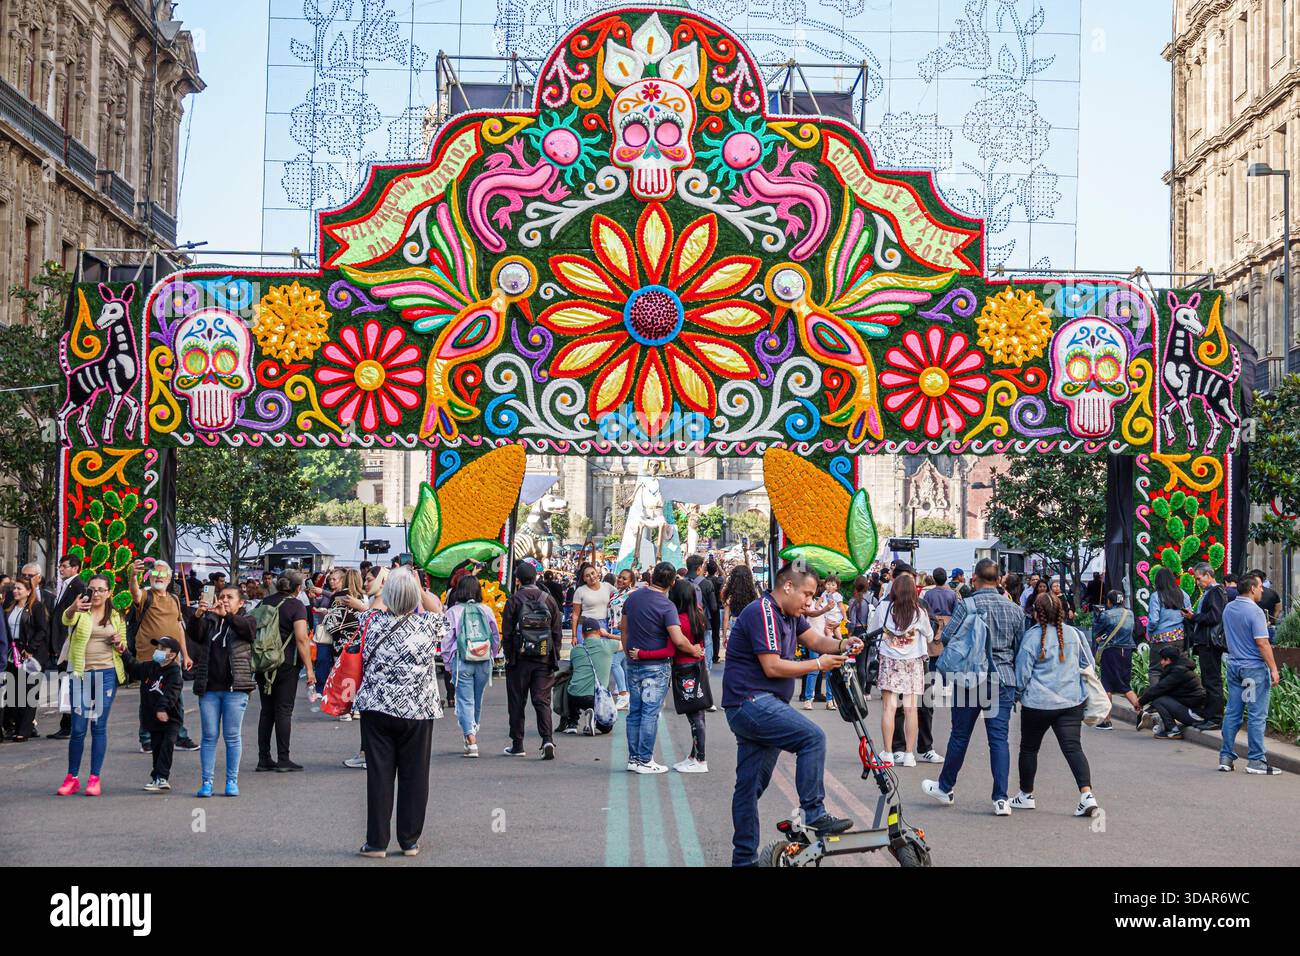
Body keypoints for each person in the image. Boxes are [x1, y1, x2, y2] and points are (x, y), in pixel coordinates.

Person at [722, 563, 859, 866]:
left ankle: (743, 861)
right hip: (751, 702)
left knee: (749, 787)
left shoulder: (789, 615)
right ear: (787, 587)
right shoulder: (764, 612)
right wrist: (818, 665)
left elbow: (815, 641)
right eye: (807, 594)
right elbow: (772, 666)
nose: (809, 603)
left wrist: (842, 644)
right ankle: (814, 812)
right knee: (812, 738)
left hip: (758, 705)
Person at [922, 558, 1024, 816]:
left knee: (960, 735)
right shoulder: (1014, 609)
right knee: (999, 739)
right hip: (1002, 679)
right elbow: (1019, 647)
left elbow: (947, 636)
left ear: (975, 579)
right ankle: (1001, 798)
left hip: (971, 679)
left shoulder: (967, 605)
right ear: (999, 580)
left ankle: (945, 787)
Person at [356, 568, 446, 857]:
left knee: (379, 775)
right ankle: (409, 840)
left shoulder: (370, 622)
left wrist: (387, 586)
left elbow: (376, 606)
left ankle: (376, 842)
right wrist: (418, 589)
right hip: (418, 709)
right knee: (415, 774)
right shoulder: (428, 625)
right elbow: (438, 607)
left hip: (378, 705)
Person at [1009, 593, 1100, 817]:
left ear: (1036, 613)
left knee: (1029, 748)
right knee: (1073, 748)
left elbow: (1022, 673)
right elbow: (1089, 664)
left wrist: (1017, 694)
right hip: (1070, 701)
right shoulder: (1074, 634)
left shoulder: (1032, 637)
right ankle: (1087, 795)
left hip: (1037, 703)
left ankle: (1026, 794)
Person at [620, 561, 701, 773]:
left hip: (634, 661)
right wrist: (693, 649)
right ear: (672, 582)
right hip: (655, 667)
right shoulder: (667, 606)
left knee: (635, 711)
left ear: (652, 576)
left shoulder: (633, 597)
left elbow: (624, 629)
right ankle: (645, 759)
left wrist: (628, 651)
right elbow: (677, 638)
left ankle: (634, 758)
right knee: (650, 713)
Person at [56, 576, 127, 795]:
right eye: (92, 589)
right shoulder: (80, 612)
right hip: (80, 673)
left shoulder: (116, 616)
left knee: (98, 725)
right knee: (78, 728)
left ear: (108, 592)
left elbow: (124, 648)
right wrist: (72, 607)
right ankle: (72, 777)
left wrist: (119, 643)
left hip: (106, 674)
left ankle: (94, 777)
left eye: (100, 590)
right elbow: (65, 620)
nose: (95, 594)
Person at [188, 585, 256, 797]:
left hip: (236, 688)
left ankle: (231, 781)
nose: (224, 600)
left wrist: (227, 616)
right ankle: (207, 783)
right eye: (222, 596)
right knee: (209, 736)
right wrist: (198, 616)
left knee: (232, 736)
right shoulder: (211, 621)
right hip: (209, 688)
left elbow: (248, 632)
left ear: (240, 602)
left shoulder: (247, 620)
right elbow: (195, 636)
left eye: (230, 597)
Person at [127, 560, 198, 752]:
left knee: (175, 698)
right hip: (150, 658)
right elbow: (134, 591)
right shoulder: (146, 596)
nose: (159, 577)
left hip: (172, 659)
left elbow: (179, 628)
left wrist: (185, 655)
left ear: (169, 578)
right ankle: (147, 738)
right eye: (155, 575)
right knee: (149, 698)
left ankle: (179, 736)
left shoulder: (174, 599)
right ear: (149, 577)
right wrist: (133, 575)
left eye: (162, 574)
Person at [1217, 573, 1283, 775]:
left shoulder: (1229, 608)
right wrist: (1273, 668)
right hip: (1253, 670)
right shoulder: (1255, 612)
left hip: (1235, 667)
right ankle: (1256, 760)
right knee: (1256, 715)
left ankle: (1226, 757)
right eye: (1260, 586)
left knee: (1233, 713)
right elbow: (1262, 643)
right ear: (1252, 589)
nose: (1263, 590)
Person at [871, 572, 936, 768]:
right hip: (913, 663)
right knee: (911, 709)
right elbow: (930, 636)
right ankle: (909, 754)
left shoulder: (884, 608)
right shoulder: (919, 612)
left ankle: (889, 753)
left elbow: (871, 630)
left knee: (889, 709)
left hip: (890, 662)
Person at [254, 571, 315, 772]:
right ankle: (283, 759)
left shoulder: (264, 602)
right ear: (297, 588)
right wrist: (309, 669)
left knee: (266, 711)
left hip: (263, 662)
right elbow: (301, 638)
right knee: (284, 710)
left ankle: (263, 758)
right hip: (286, 663)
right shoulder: (296, 605)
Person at [501, 561, 562, 758]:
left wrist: (509, 656)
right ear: (536, 577)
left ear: (517, 580)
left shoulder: (514, 600)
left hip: (519, 659)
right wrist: (555, 656)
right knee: (542, 700)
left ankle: (518, 744)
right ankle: (547, 740)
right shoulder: (548, 600)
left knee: (517, 702)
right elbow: (556, 632)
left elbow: (508, 633)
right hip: (544, 657)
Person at [443, 575, 500, 757]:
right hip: (483, 660)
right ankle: (472, 731)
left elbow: (446, 640)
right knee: (477, 698)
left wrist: (447, 662)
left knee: (465, 699)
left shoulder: (453, 612)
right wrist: (493, 654)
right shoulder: (486, 609)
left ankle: (471, 738)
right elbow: (495, 635)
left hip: (462, 660)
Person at [119, 636, 185, 792]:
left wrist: (162, 709)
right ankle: (157, 776)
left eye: (163, 649)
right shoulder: (150, 667)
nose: (158, 651)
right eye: (158, 648)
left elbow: (171, 693)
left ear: (172, 655)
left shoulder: (174, 673)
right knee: (156, 746)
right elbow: (134, 669)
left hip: (170, 718)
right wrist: (124, 653)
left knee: (167, 745)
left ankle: (162, 776)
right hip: (152, 718)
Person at [668, 577, 709, 773]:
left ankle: (700, 759)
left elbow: (678, 643)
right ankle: (694, 755)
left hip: (683, 667)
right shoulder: (699, 616)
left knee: (695, 716)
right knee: (698, 712)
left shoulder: (678, 620)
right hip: (697, 666)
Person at [2, 576, 50, 741]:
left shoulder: (36, 607)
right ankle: (15, 726)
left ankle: (25, 730)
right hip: (13, 651)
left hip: (31, 653)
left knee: (29, 692)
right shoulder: (9, 607)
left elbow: (42, 630)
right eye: (14, 588)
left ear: (28, 591)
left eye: (19, 589)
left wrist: (30, 648)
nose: (15, 591)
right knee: (14, 691)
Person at [46, 554, 87, 740]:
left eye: (64, 566)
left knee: (68, 685)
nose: (61, 569)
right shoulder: (66, 585)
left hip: (68, 643)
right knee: (64, 685)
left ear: (75, 568)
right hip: (60, 642)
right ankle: (66, 724)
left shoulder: (78, 586)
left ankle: (69, 725)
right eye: (60, 566)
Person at [1183, 562, 1228, 730]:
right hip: (1206, 643)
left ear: (1208, 575)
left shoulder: (1215, 591)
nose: (1197, 582)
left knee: (1212, 681)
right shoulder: (1211, 592)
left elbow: (1214, 617)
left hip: (1210, 643)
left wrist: (1194, 617)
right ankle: (1210, 716)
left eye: (1198, 578)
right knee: (1208, 680)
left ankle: (1215, 718)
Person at [1136, 645, 1206, 739]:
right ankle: (1168, 727)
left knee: (1158, 699)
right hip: (1193, 711)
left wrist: (1140, 702)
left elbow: (1158, 689)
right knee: (1160, 698)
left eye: (1163, 660)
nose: (1161, 662)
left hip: (1195, 715)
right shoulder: (1180, 668)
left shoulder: (1178, 672)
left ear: (1168, 660)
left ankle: (1173, 731)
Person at [1090, 590, 1138, 729]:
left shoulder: (1106, 615)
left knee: (1107, 685)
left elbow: (1096, 632)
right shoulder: (1129, 613)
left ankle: (1106, 720)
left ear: (1110, 601)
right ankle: (1140, 710)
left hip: (1111, 651)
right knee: (1124, 684)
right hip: (1127, 650)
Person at [1144, 567, 1191, 692]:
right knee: (1178, 670)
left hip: (1161, 639)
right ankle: (1176, 700)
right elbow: (1189, 614)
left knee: (1155, 671)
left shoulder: (1156, 596)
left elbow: (1154, 620)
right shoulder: (1183, 595)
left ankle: (1157, 701)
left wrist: (1149, 632)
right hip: (1179, 638)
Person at [606, 569, 635, 710]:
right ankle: (629, 697)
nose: (621, 580)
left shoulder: (632, 595)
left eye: (625, 579)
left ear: (631, 581)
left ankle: (623, 695)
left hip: (625, 632)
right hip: (613, 630)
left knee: (614, 662)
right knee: (624, 666)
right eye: (619, 577)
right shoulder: (615, 593)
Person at [571, 562, 615, 647]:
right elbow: (575, 615)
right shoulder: (580, 591)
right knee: (586, 655)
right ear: (584, 579)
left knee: (602, 655)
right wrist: (574, 636)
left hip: (604, 625)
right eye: (587, 576)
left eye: (592, 573)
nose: (591, 577)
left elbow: (622, 595)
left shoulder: (607, 586)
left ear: (597, 573)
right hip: (585, 625)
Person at [720, 564, 759, 651]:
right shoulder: (753, 594)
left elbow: (726, 618)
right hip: (751, 623)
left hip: (735, 623)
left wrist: (724, 636)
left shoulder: (730, 596)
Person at [704, 559, 724, 665]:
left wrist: (704, 566)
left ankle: (706, 655)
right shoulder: (718, 580)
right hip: (715, 609)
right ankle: (715, 656)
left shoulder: (703, 580)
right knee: (715, 634)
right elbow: (723, 574)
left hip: (705, 609)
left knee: (706, 632)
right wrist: (718, 564)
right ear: (716, 570)